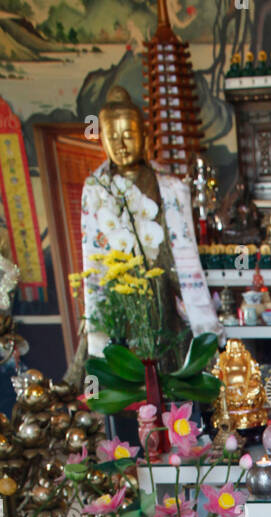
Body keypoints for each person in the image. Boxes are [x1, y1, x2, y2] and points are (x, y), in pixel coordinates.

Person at [80, 87, 219, 367]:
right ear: (103, 142)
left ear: (144, 137)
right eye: (112, 137)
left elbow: (183, 249)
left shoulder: (169, 186)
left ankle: (176, 410)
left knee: (173, 361)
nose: (121, 145)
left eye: (128, 136)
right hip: (122, 294)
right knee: (124, 371)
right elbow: (92, 255)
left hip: (163, 288)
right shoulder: (96, 189)